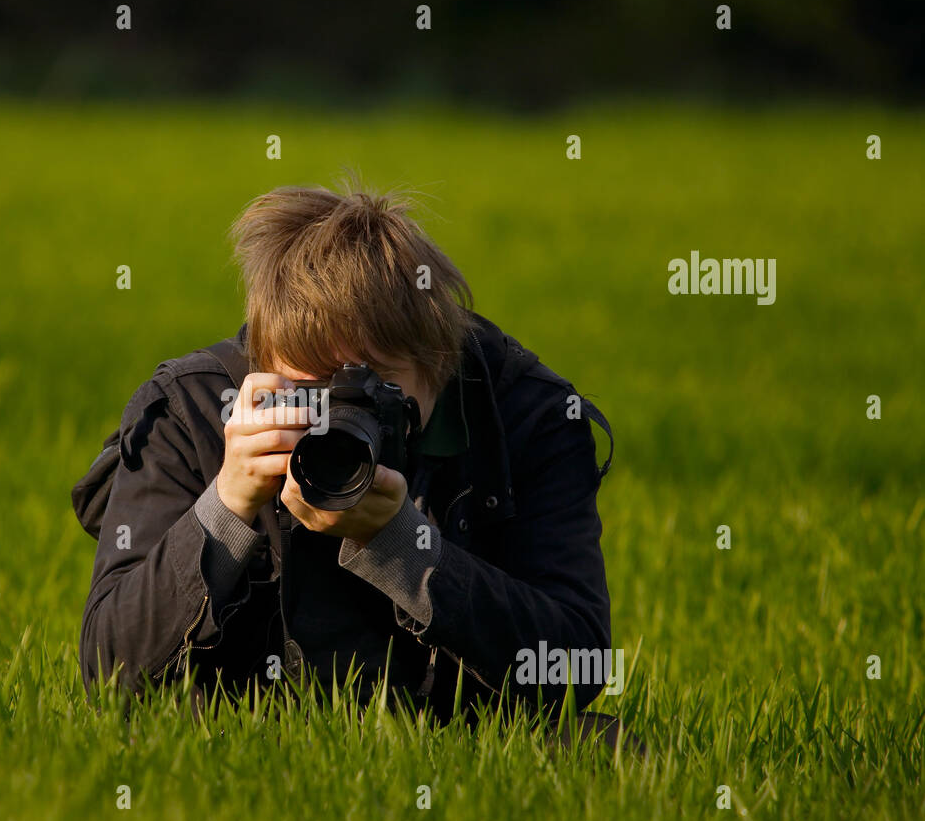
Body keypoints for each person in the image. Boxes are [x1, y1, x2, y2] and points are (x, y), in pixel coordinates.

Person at [73, 178, 627, 747]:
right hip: (242, 744)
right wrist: (227, 506)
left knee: (608, 751)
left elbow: (576, 665)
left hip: (460, 737)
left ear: (439, 362)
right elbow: (107, 670)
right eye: (311, 393)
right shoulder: (193, 412)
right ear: (262, 361)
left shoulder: (526, 417)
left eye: (373, 391)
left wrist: (405, 548)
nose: (338, 418)